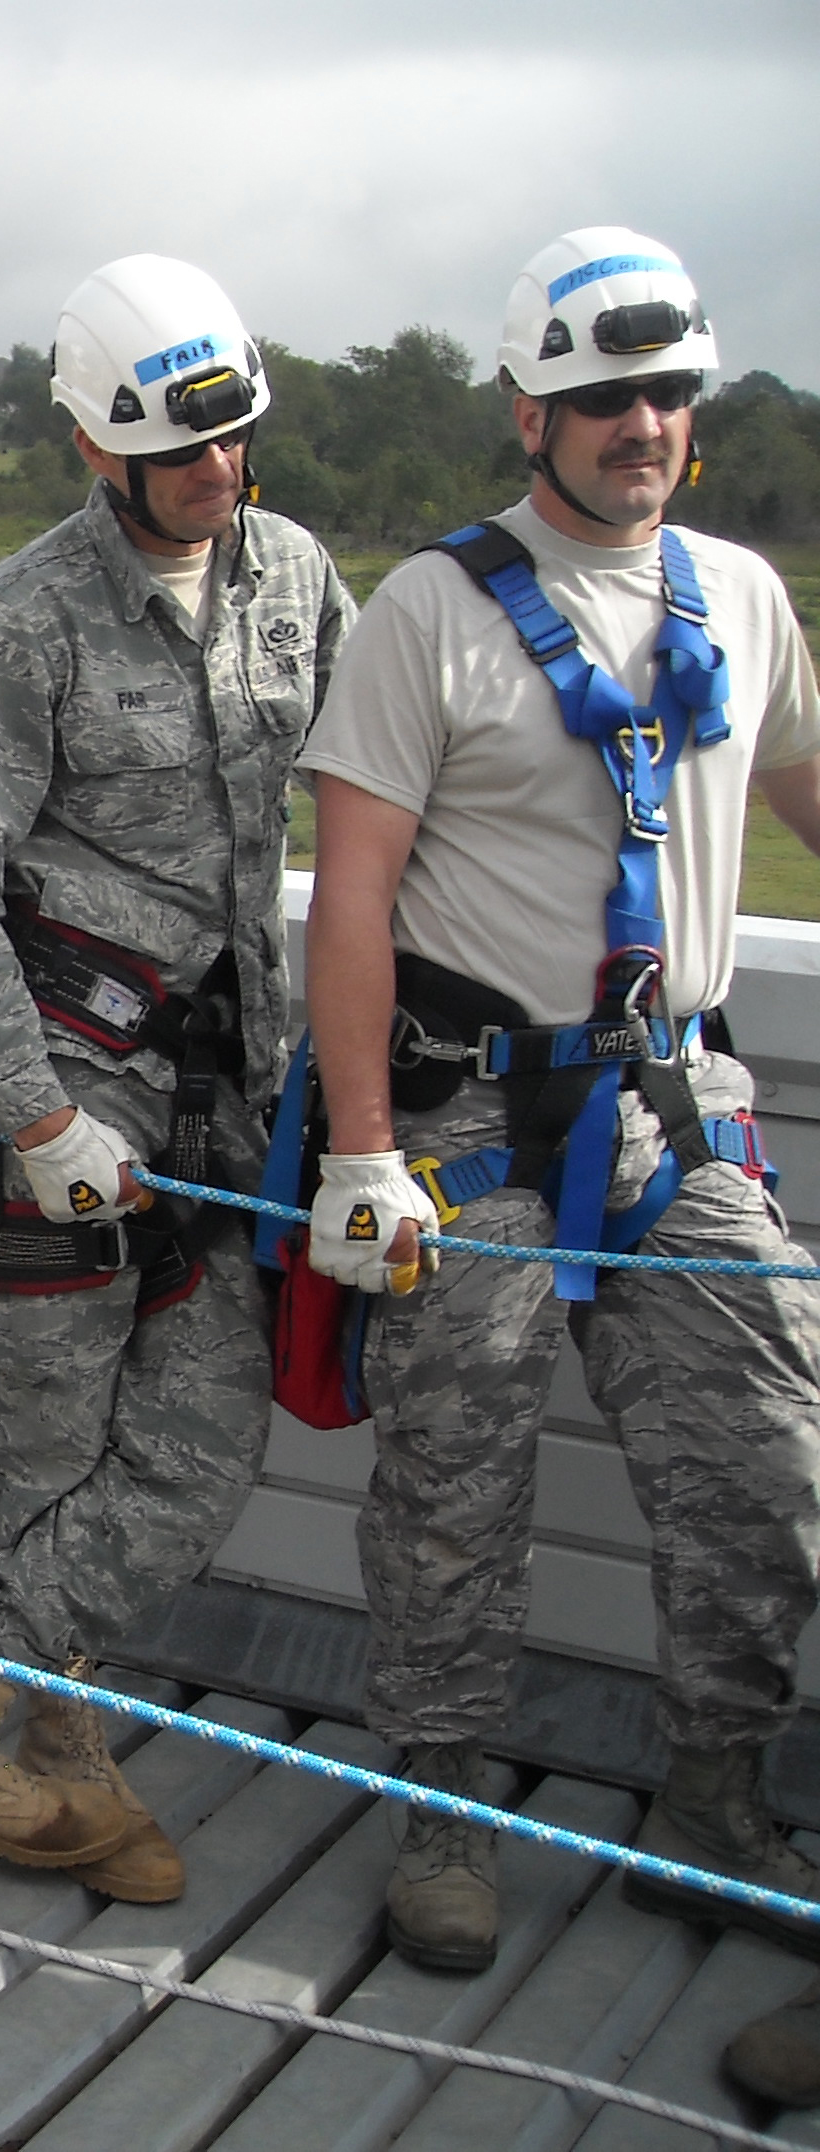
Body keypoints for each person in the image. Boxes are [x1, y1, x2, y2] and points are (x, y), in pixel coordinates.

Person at [293, 230, 820, 2020]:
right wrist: (361, 1148)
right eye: (602, 398)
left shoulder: (741, 598)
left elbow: (810, 791)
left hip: (678, 1121)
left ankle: (719, 1792)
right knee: (454, 1493)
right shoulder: (430, 612)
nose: (643, 424)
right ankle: (441, 1811)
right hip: (468, 1129)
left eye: (670, 393)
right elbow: (348, 901)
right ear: (529, 412)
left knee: (772, 1469)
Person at [0, 258, 354, 1903]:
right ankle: (53, 1768)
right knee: (40, 1446)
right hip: (67, 1078)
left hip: (230, 1086)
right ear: (100, 446)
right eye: (185, 450)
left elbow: (374, 804)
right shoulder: (22, 621)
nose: (222, 475)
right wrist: (37, 1113)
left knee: (205, 1438)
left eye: (238, 442)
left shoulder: (294, 579)